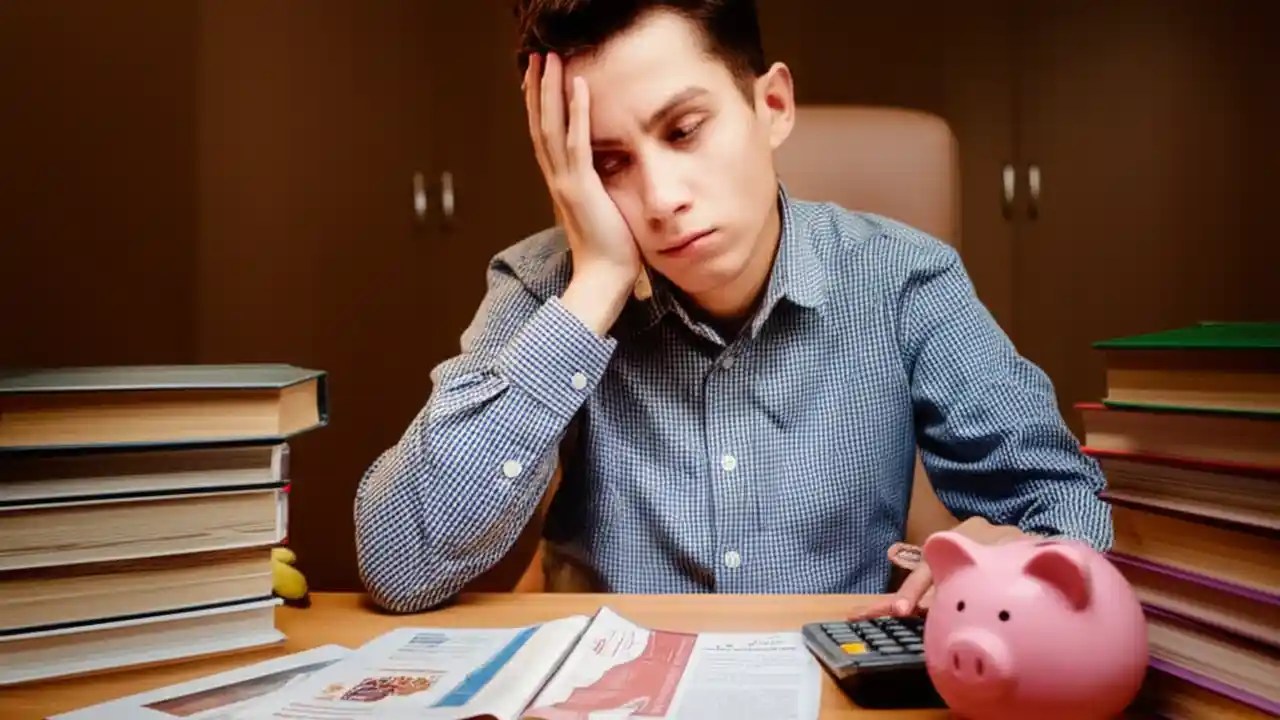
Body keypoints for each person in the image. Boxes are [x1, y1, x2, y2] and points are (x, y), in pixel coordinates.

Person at [353, 0, 1112, 615]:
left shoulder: (904, 278)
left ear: (772, 104)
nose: (661, 199)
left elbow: (1067, 509)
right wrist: (592, 291)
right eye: (606, 164)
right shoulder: (544, 285)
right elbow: (399, 565)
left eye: (684, 131)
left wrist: (1013, 552)